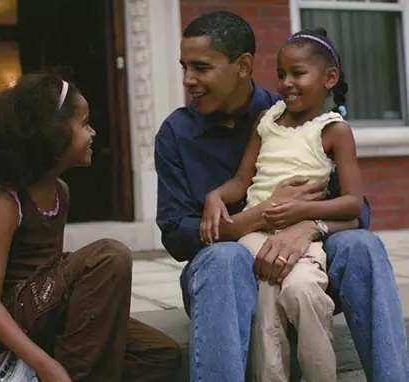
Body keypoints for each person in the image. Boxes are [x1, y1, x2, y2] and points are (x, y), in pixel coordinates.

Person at [155, 10, 409, 382]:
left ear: (242, 66)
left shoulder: (295, 113)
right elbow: (178, 235)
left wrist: (307, 225)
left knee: (362, 246)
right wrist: (258, 217)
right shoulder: (175, 133)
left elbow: (359, 209)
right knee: (223, 259)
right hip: (224, 279)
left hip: (304, 263)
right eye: (184, 67)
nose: (188, 80)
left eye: (201, 67)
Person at [0, 73, 181, 382]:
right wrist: (45, 365)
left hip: (45, 312)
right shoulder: (5, 200)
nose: (93, 132)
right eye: (84, 123)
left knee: (159, 355)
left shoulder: (60, 191)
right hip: (2, 320)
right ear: (51, 135)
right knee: (110, 255)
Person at [200, 27, 363, 381]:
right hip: (256, 233)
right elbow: (242, 181)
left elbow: (353, 202)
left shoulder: (334, 130)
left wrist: (302, 212)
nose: (286, 82)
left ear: (329, 78)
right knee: (267, 302)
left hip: (303, 237)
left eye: (298, 73)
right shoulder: (268, 121)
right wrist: (215, 196)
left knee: (304, 289)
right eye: (281, 74)